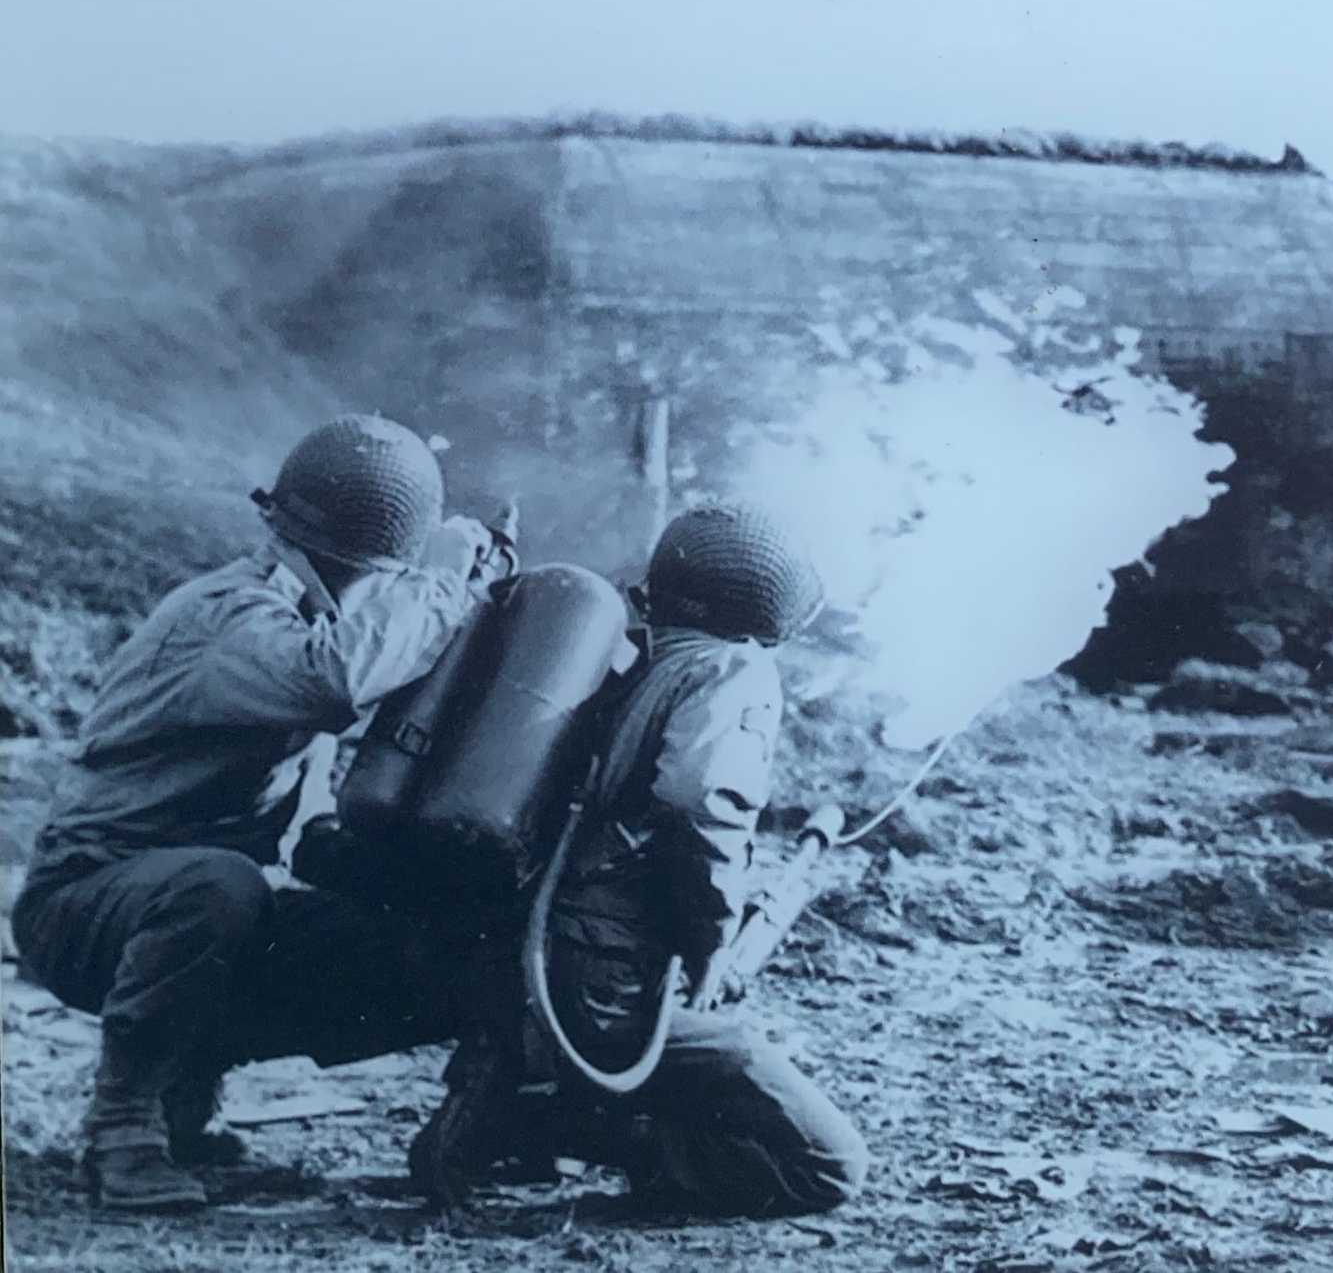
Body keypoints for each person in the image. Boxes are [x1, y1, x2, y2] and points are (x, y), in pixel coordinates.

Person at [11, 414, 497, 1214]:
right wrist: (440, 582)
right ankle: (121, 1126)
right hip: (82, 907)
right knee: (217, 884)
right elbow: (333, 680)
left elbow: (306, 830)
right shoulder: (228, 620)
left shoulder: (306, 622)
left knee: (412, 937)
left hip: (183, 908)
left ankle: (183, 1102)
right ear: (366, 567)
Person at [407, 502, 870, 1219]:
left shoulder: (621, 653)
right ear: (763, 608)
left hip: (523, 956)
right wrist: (711, 942)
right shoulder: (732, 667)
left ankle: (513, 1089)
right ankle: (531, 1118)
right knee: (825, 1166)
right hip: (604, 987)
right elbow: (697, 799)